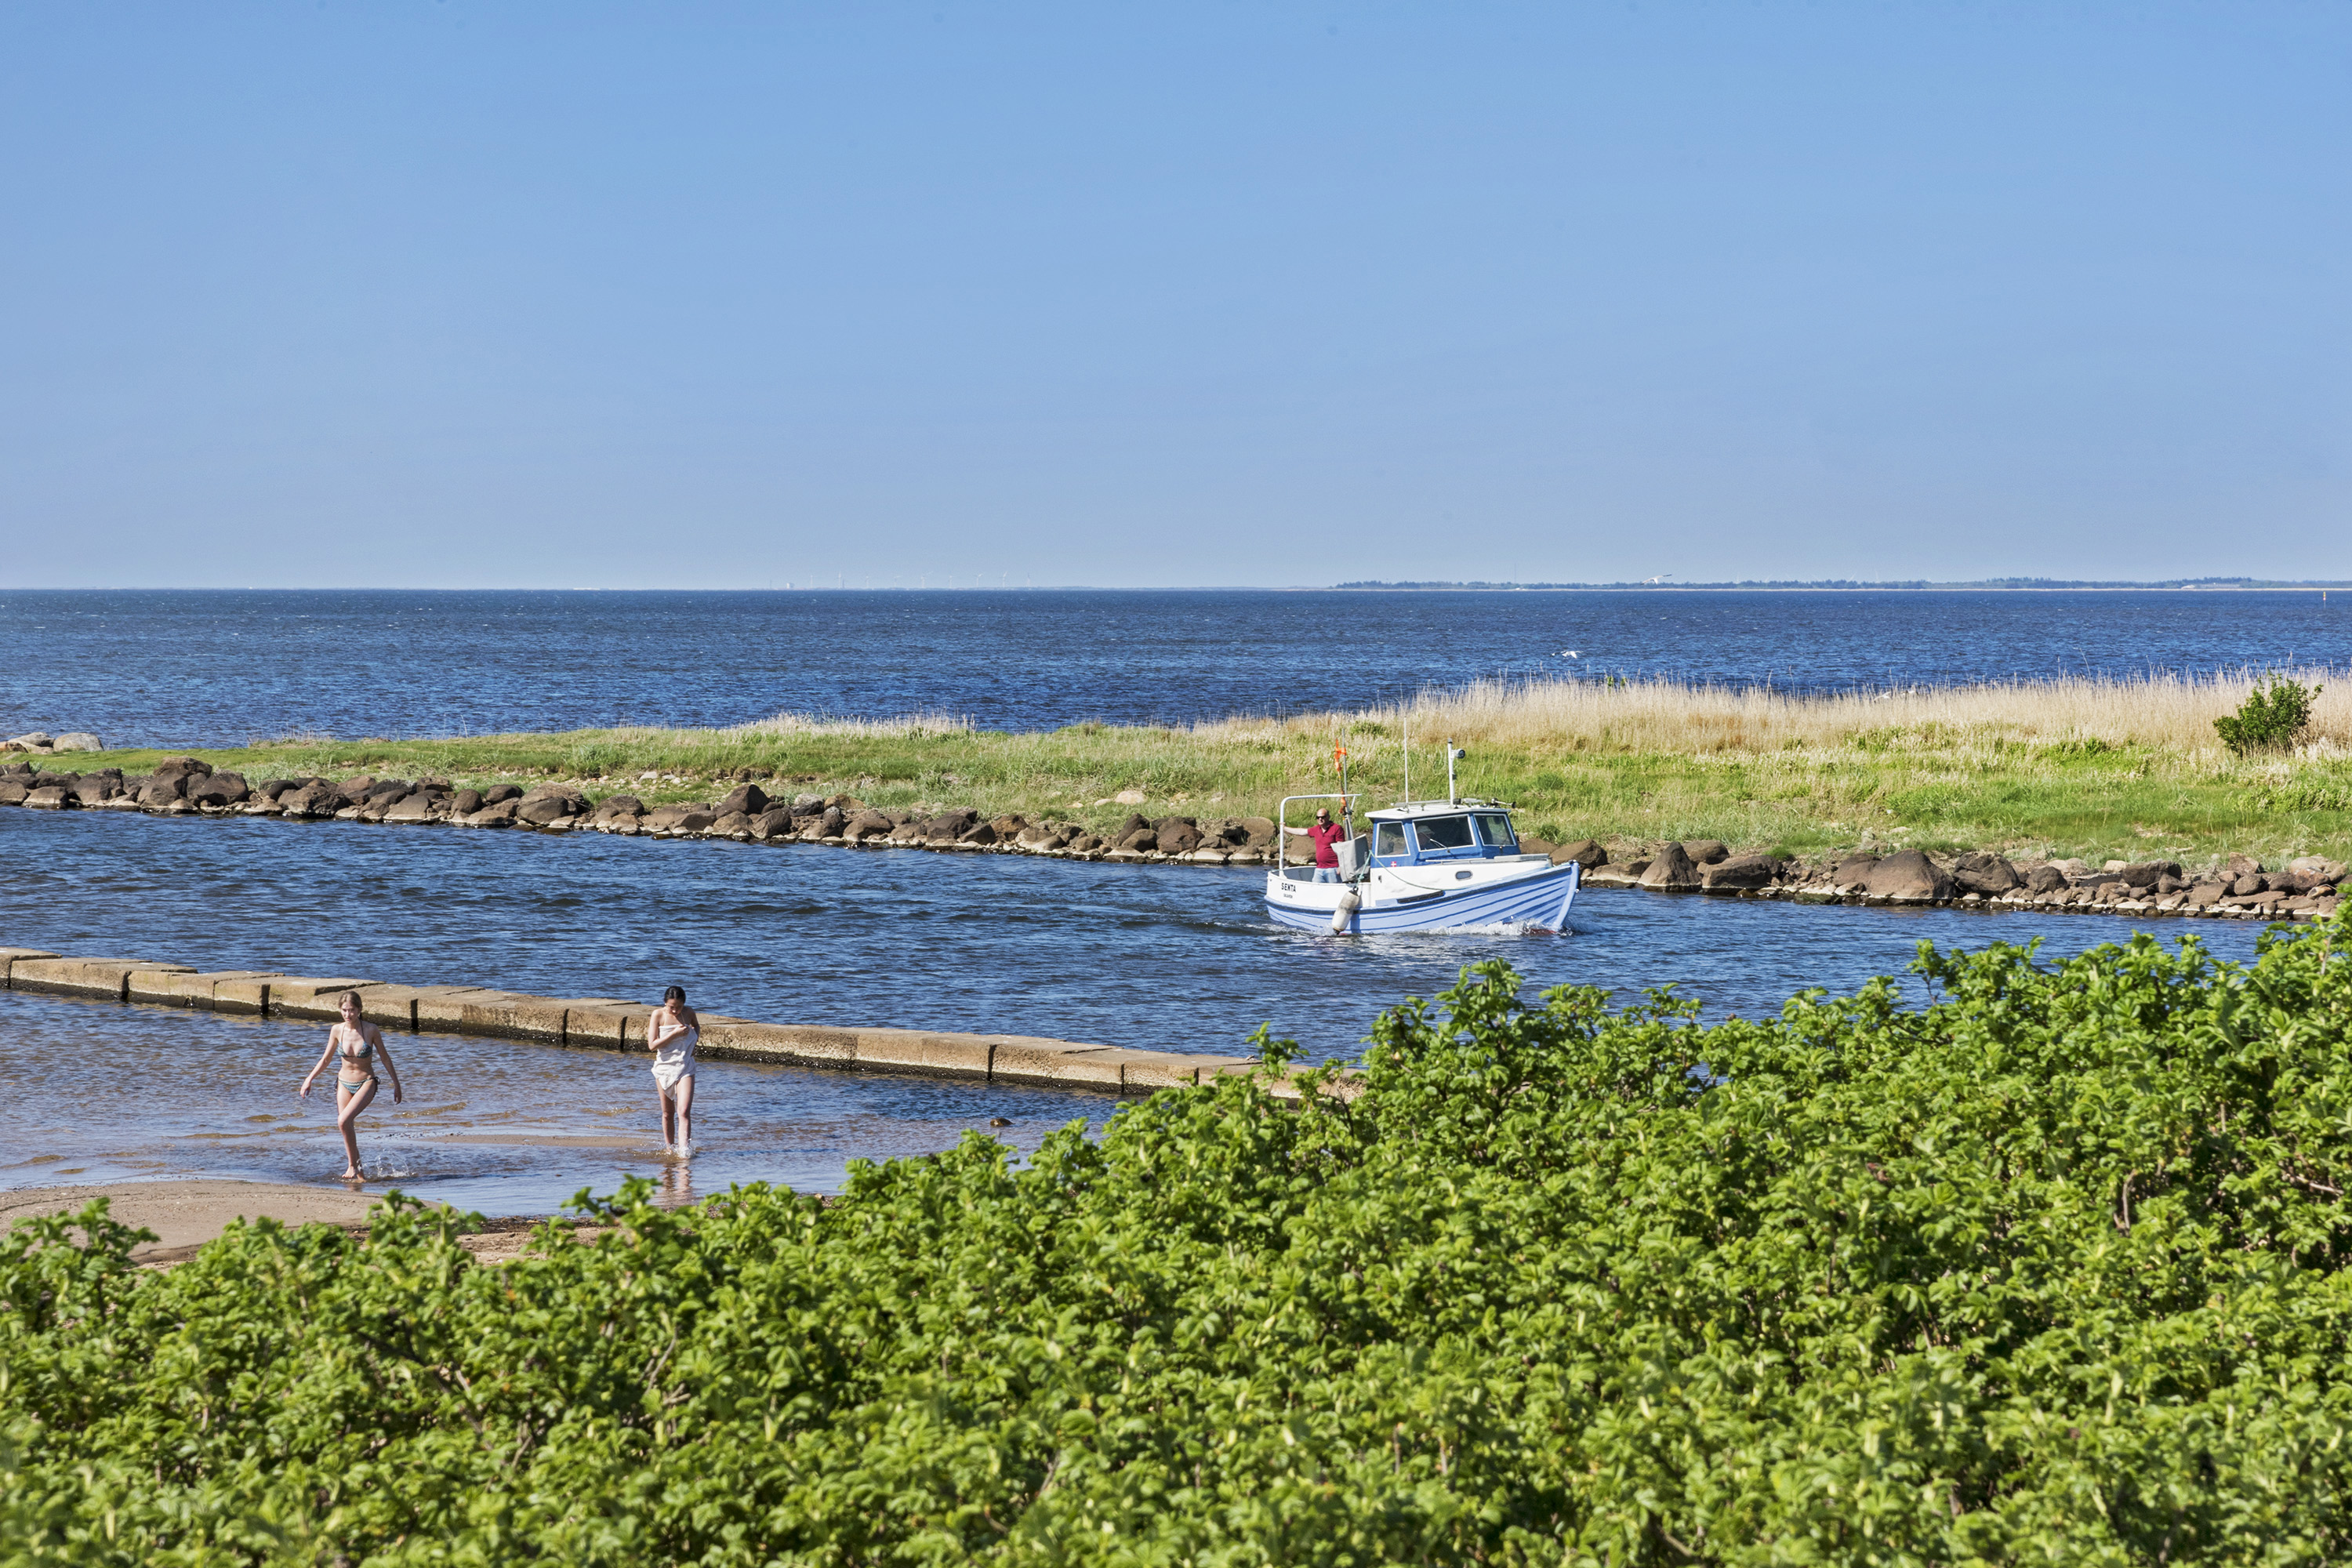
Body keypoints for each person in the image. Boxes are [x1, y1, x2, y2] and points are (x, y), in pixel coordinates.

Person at [298, 990, 405, 1181]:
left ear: (360, 1009)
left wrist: (396, 1084)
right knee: (347, 1126)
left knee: (343, 1121)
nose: (348, 1015)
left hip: (366, 1082)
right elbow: (326, 1059)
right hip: (343, 1083)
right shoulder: (337, 1030)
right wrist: (309, 1079)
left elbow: (385, 1058)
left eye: (352, 1010)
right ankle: (360, 1174)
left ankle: (351, 1166)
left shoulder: (371, 1030)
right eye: (344, 1010)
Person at [646, 985, 701, 1153]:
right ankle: (670, 1148)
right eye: (672, 1007)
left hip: (685, 1066)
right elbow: (652, 1045)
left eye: (679, 1007)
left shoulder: (689, 1013)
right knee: (667, 1113)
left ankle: (684, 1150)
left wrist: (692, 1042)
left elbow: (697, 1027)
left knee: (683, 1111)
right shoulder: (658, 1015)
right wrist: (674, 1034)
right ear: (665, 1003)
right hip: (664, 1068)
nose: (676, 1011)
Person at [1284, 806, 1349, 883]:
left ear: (1328, 817)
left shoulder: (1337, 828)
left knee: (1333, 890)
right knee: (1315, 888)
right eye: (1318, 817)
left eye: (1323, 817)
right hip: (1319, 868)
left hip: (1333, 868)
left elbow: (1341, 848)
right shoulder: (1316, 829)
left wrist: (1341, 866)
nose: (1320, 819)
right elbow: (1302, 832)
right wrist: (1285, 828)